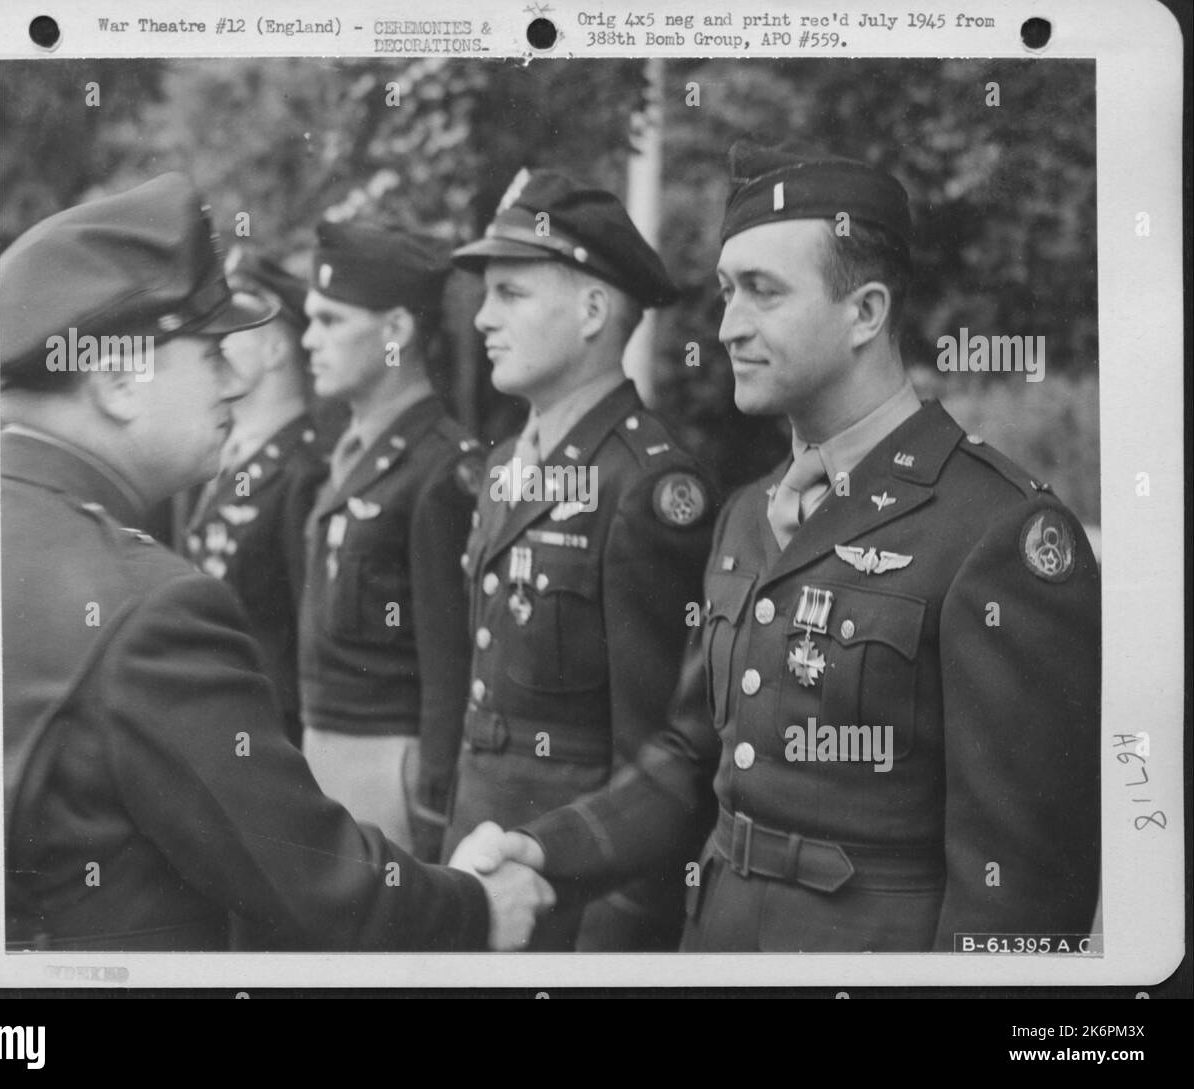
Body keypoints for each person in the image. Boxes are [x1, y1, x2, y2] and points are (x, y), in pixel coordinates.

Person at [453, 141, 1102, 952]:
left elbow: (1022, 892)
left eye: (762, 292)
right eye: (726, 292)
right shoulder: (748, 515)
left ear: (865, 312)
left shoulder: (994, 533)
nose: (727, 327)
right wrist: (546, 849)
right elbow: (689, 760)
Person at [0, 172, 552, 951]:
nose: (236, 376)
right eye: (210, 352)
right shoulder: (147, 608)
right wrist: (476, 906)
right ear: (120, 378)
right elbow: (309, 878)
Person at [442, 170, 716, 950]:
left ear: (595, 308)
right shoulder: (506, 466)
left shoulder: (648, 488)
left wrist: (612, 951)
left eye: (511, 294)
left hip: (571, 912)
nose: (484, 319)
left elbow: (661, 769)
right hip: (480, 870)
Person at [297, 221, 483, 862]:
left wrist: (432, 804)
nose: (308, 340)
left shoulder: (441, 470)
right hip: (323, 759)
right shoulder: (351, 456)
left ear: (397, 331)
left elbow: (449, 667)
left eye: (330, 321)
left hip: (388, 777)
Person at [183, 245, 343, 748]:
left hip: (274, 729)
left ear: (276, 350)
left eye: (233, 331)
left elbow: (308, 635)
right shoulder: (217, 459)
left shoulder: (305, 473)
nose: (215, 341)